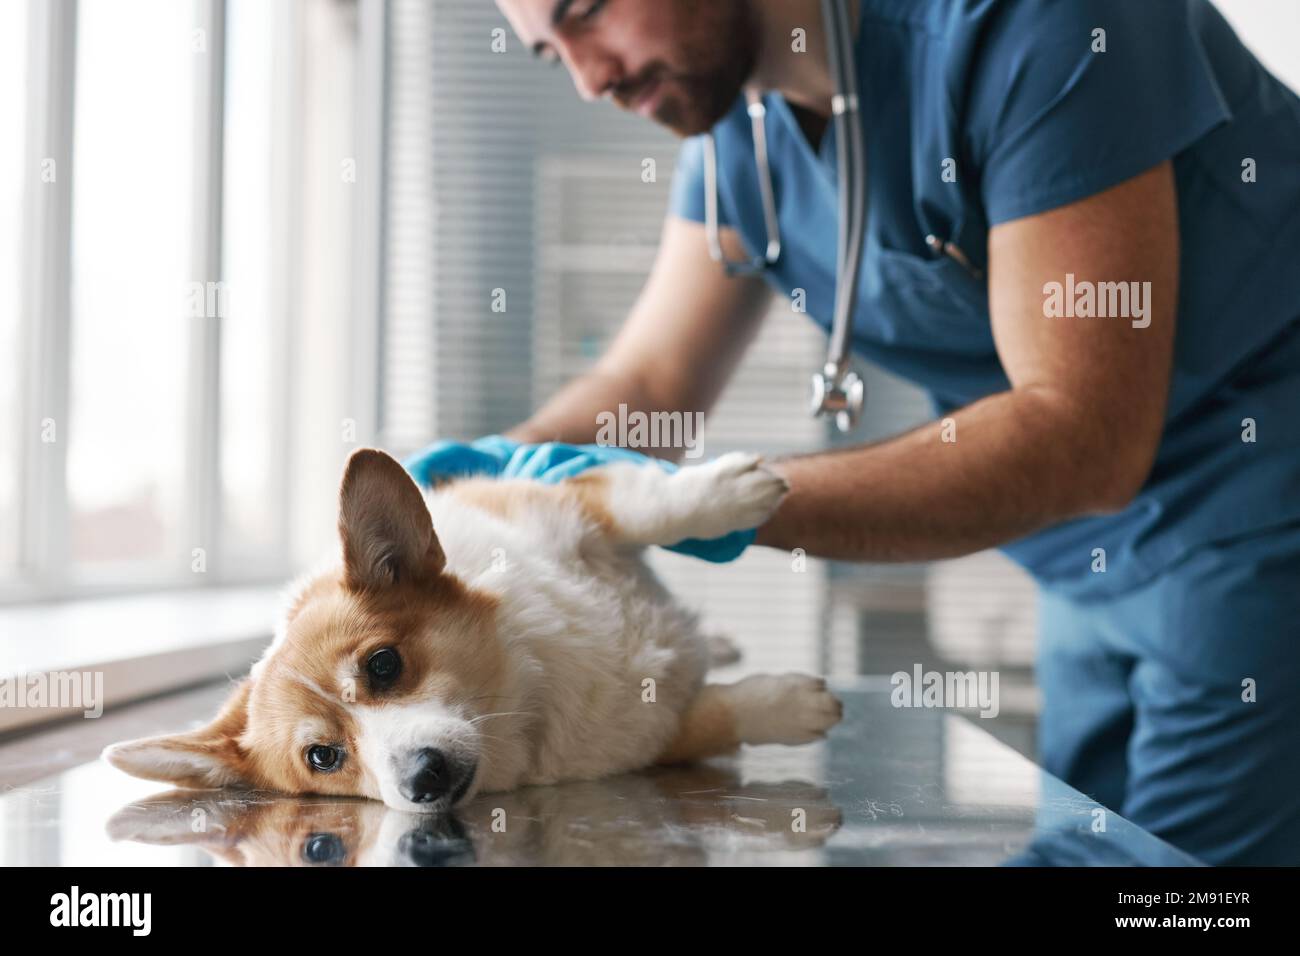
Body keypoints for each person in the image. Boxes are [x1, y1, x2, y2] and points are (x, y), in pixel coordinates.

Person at [406, 0, 1300, 865]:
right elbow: (648, 382)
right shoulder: (739, 125)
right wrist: (467, 494)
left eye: (589, 11)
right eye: (547, 51)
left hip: (1259, 508)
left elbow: (1084, 434)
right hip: (1081, 559)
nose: (588, 79)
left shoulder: (1042, 23)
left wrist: (711, 507)